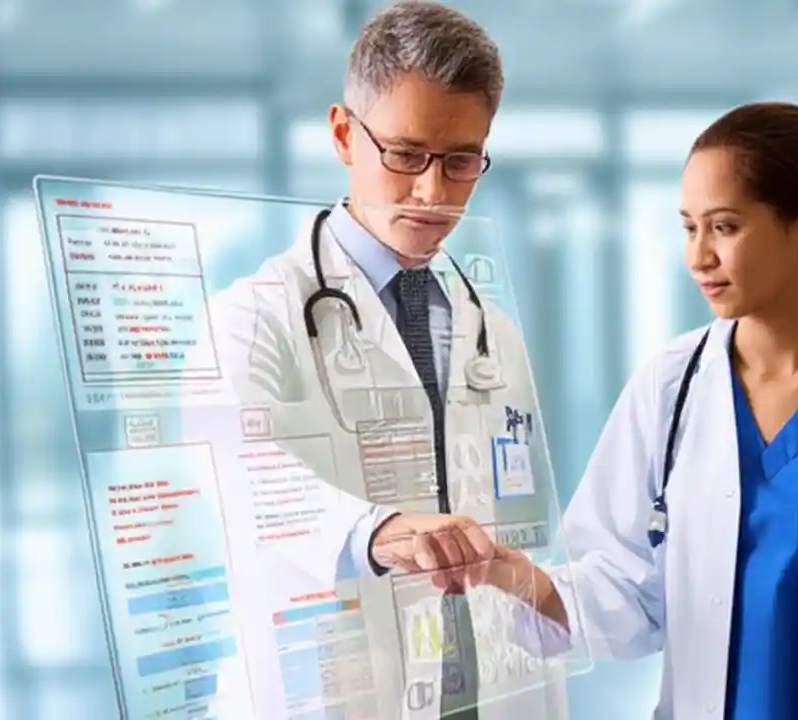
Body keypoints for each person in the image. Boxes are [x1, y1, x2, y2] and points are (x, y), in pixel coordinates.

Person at [482, 102, 798, 720]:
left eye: (725, 228)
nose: (698, 256)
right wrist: (515, 577)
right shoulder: (670, 387)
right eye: (689, 228)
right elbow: (623, 590)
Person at [208, 2, 565, 718]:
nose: (433, 192)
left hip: (486, 691)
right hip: (335, 692)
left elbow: (521, 511)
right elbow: (234, 474)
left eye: (461, 161)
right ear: (345, 134)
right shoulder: (255, 316)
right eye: (405, 154)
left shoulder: (489, 329)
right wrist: (376, 531)